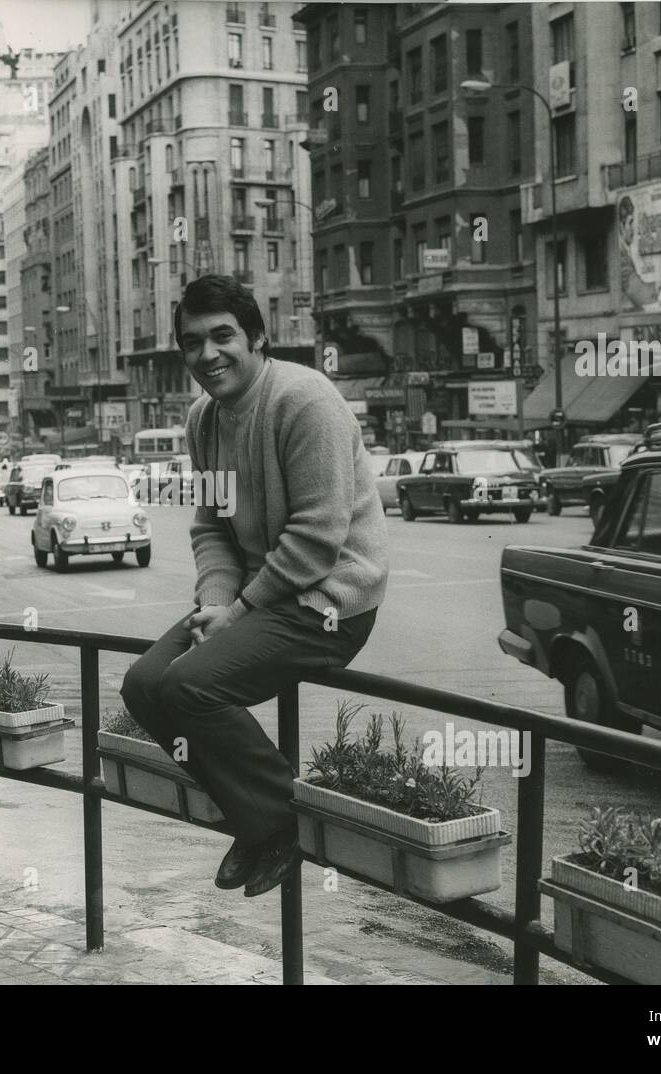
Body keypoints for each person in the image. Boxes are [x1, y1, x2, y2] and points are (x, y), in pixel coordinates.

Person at [119, 275, 389, 899]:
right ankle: (253, 819)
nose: (207, 355)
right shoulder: (203, 421)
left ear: (259, 338)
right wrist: (216, 604)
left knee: (188, 685)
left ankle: (279, 824)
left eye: (223, 337)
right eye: (192, 343)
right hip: (253, 597)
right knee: (143, 685)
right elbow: (211, 526)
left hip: (329, 602)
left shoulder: (305, 400)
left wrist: (236, 611)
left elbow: (318, 539)